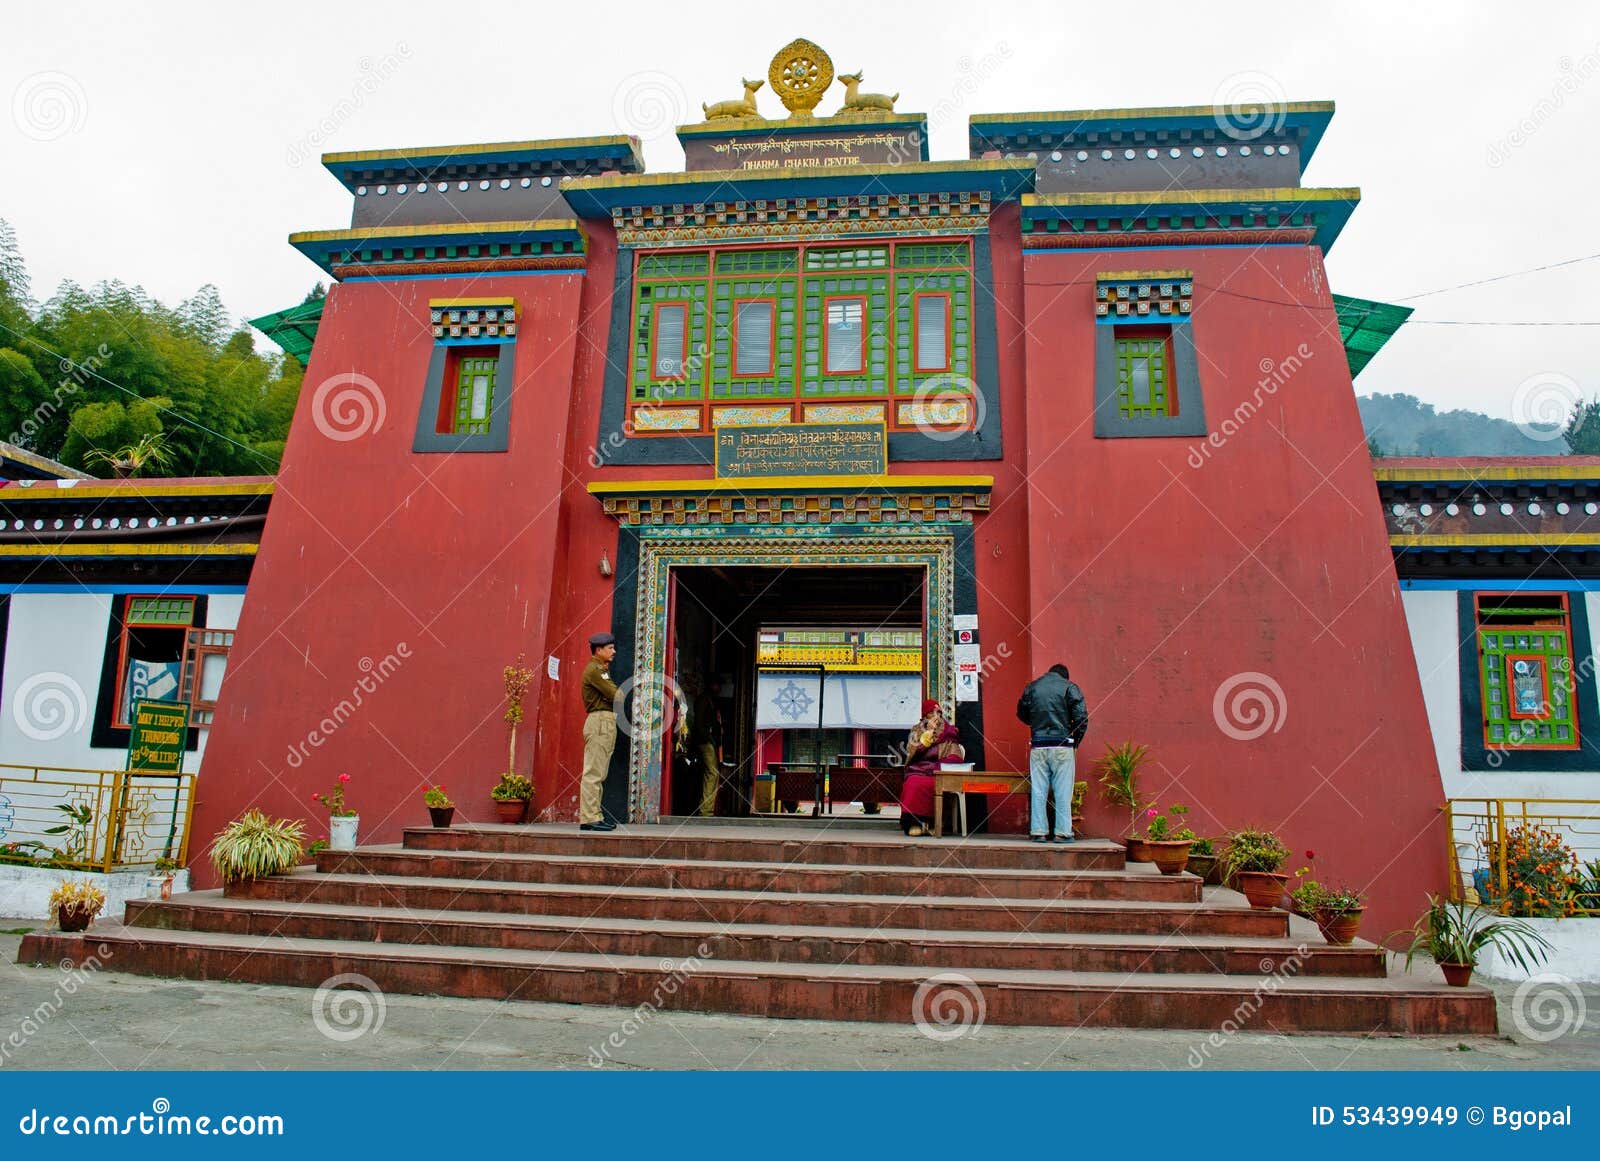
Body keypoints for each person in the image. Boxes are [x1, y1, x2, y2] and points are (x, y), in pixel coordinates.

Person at [1016, 663, 1089, 843]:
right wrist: (1074, 742)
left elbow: (1021, 713)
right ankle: (1062, 833)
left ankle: (1039, 831)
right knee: (1063, 791)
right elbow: (1081, 718)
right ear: (1065, 676)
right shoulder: (1070, 687)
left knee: (1038, 789)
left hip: (1038, 744)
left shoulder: (1032, 687)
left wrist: (1036, 724)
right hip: (1062, 744)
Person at [898, 699, 964, 837]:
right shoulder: (917, 729)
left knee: (936, 784)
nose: (935, 716)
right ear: (924, 716)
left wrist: (942, 766)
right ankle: (914, 823)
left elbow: (955, 754)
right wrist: (928, 732)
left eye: (938, 712)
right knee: (913, 782)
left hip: (938, 770)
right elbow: (912, 751)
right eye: (931, 713)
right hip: (920, 768)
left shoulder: (949, 730)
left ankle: (934, 824)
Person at [578, 632, 620, 832]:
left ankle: (595, 815)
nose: (614, 651)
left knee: (599, 771)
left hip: (604, 719)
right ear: (598, 650)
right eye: (610, 648)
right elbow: (616, 694)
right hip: (600, 720)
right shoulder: (596, 669)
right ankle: (589, 818)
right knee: (594, 771)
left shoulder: (600, 669)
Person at [690, 674, 723, 817]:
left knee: (711, 774)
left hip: (708, 741)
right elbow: (699, 724)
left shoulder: (709, 700)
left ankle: (707, 809)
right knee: (712, 773)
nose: (719, 688)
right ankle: (706, 810)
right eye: (717, 685)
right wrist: (710, 740)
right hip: (705, 742)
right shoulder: (704, 700)